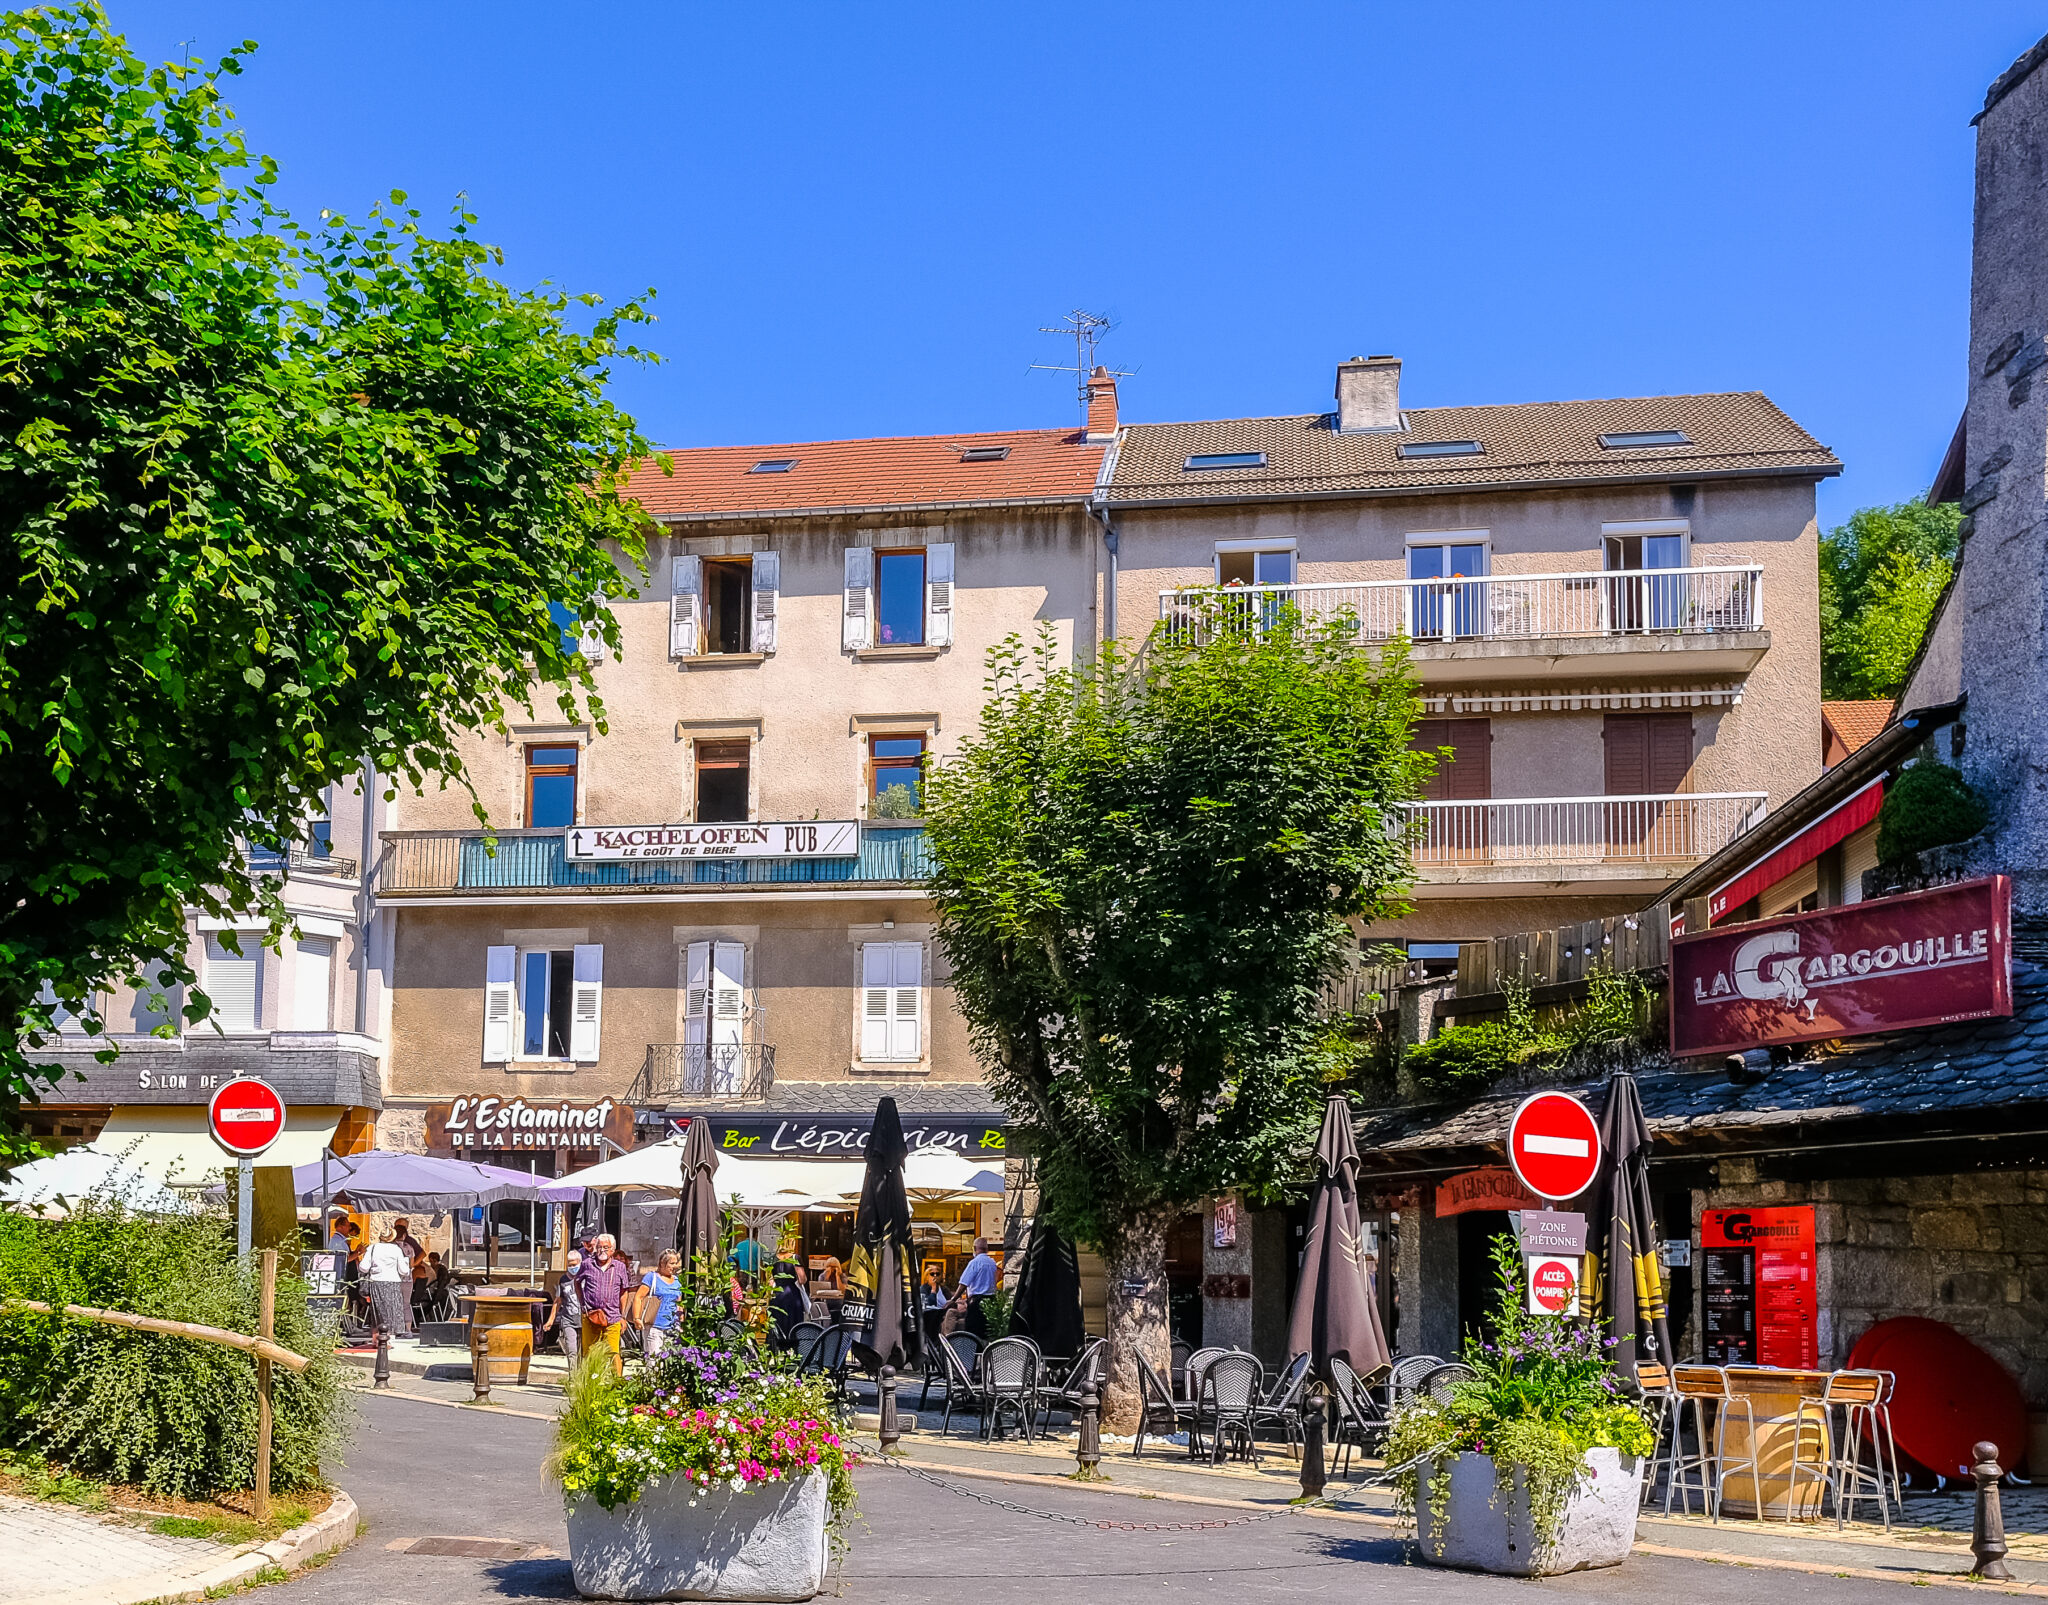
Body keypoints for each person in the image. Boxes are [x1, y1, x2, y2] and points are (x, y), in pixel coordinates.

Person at [574, 1233, 634, 1375]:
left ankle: (617, 1383)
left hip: (612, 1316)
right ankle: (590, 1383)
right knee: (589, 1352)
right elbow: (577, 1282)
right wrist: (583, 1304)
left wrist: (622, 1315)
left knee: (613, 1352)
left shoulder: (619, 1267)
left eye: (606, 1247)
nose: (602, 1250)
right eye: (599, 1247)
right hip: (591, 1315)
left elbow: (624, 1291)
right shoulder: (587, 1264)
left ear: (612, 1249)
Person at [361, 1228, 409, 1342]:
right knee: (392, 1311)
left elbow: (363, 1267)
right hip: (392, 1282)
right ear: (392, 1237)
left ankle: (376, 1340)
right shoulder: (396, 1249)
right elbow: (403, 1270)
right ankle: (389, 1340)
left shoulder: (372, 1248)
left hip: (376, 1282)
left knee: (377, 1312)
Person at [954, 1237, 1000, 1340]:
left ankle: (974, 1354)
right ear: (987, 1249)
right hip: (991, 1300)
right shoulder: (992, 1263)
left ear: (975, 1248)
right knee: (987, 1331)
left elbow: (964, 1283)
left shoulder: (975, 1262)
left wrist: (953, 1299)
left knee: (973, 1332)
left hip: (977, 1301)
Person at [640, 1250, 683, 1359]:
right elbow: (638, 1297)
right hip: (654, 1326)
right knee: (654, 1361)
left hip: (672, 1327)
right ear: (662, 1264)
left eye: (676, 1263)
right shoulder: (652, 1277)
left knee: (670, 1362)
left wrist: (681, 1321)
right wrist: (637, 1318)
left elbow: (679, 1303)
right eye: (672, 1263)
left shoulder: (677, 1281)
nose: (675, 1266)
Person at [547, 1249, 584, 1367]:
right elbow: (558, 1300)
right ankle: (573, 1380)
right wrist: (550, 1320)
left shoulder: (585, 1277)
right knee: (572, 1351)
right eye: (570, 1264)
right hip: (568, 1319)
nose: (572, 1267)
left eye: (575, 1264)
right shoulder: (563, 1280)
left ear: (580, 1263)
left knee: (584, 1352)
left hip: (585, 1319)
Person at [391, 1217, 425, 1336]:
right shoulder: (409, 1247)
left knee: (392, 1303)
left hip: (393, 1278)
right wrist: (411, 1267)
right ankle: (408, 1330)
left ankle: (392, 1329)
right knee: (406, 1304)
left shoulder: (389, 1247)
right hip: (407, 1279)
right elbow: (411, 1263)